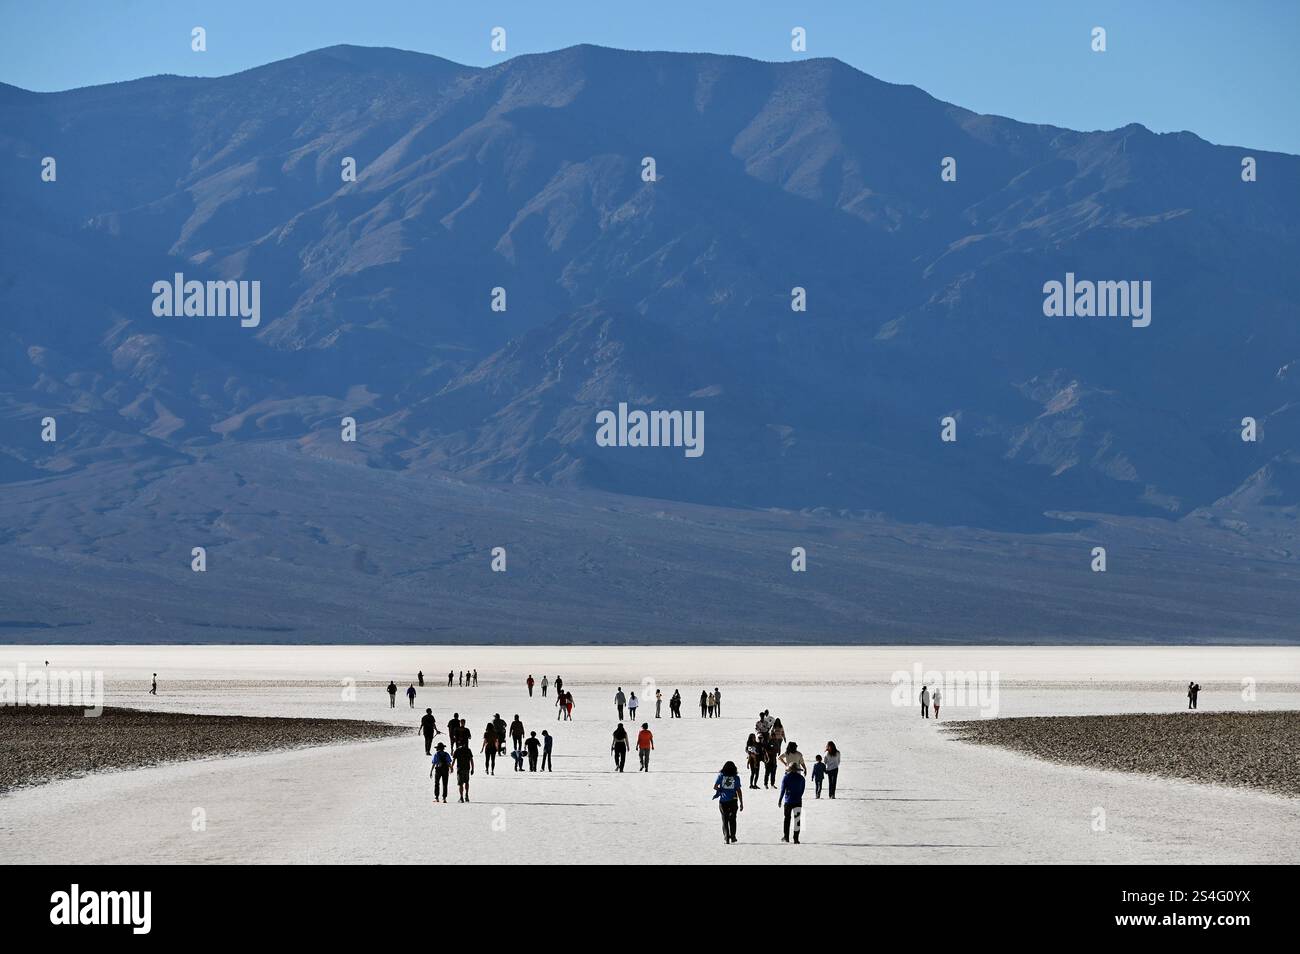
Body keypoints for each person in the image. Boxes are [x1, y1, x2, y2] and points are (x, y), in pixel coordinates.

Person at [713, 760, 744, 844]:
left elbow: (715, 787)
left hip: (723, 801)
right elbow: (738, 790)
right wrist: (741, 802)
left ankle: (726, 838)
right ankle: (733, 837)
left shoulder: (721, 776)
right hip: (733, 801)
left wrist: (721, 790)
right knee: (733, 819)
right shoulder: (736, 777)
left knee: (725, 819)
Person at [778, 765, 806, 843]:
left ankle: (786, 837)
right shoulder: (801, 778)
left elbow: (783, 790)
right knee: (797, 820)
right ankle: (796, 839)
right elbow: (802, 790)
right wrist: (798, 796)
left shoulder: (786, 777)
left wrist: (780, 800)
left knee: (787, 819)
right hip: (798, 801)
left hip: (788, 801)